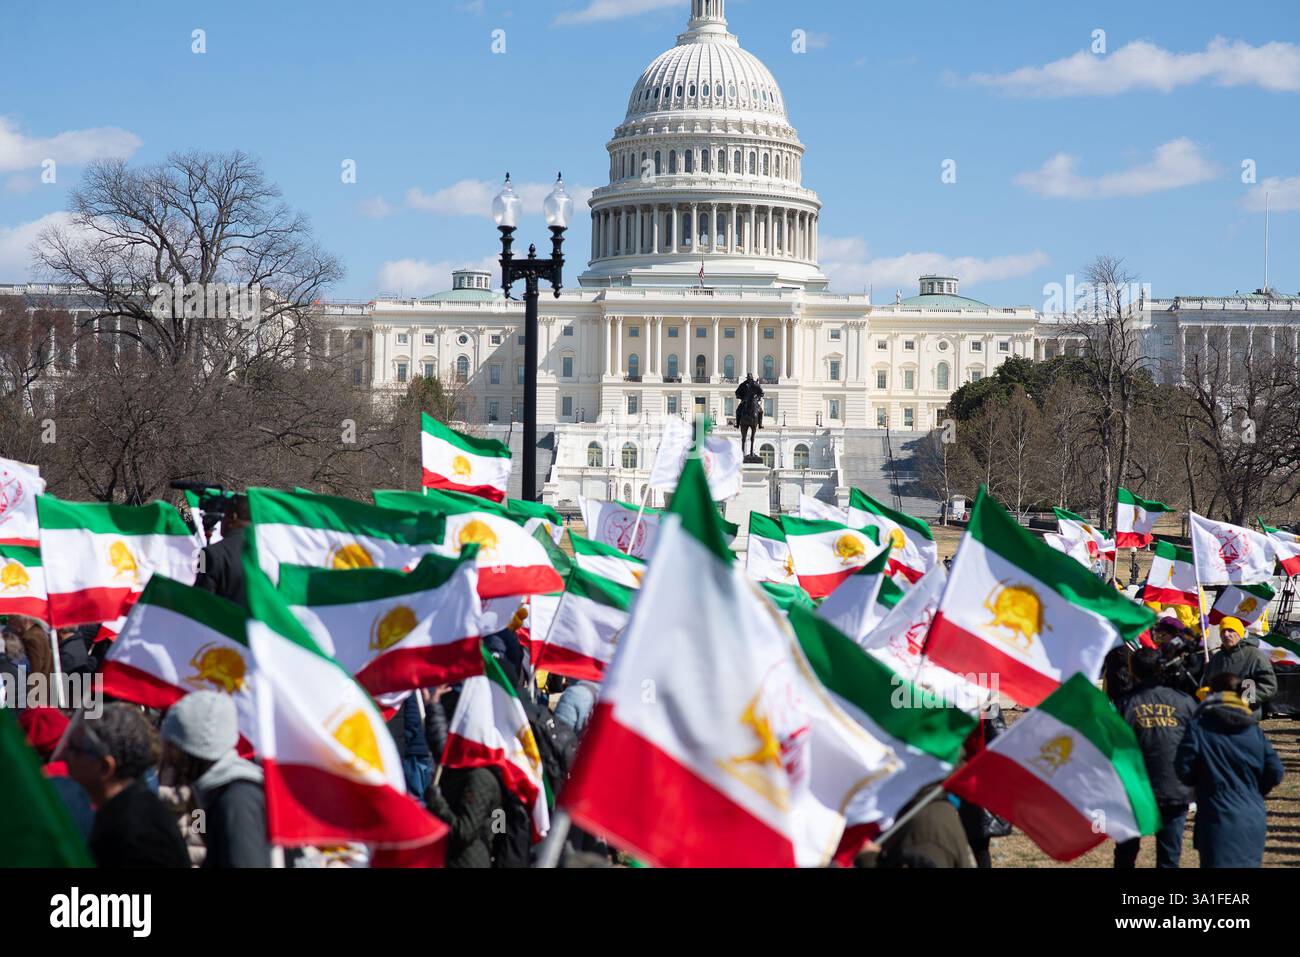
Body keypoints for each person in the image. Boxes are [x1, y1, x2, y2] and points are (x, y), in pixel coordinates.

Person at [1175, 672, 1284, 868]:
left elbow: (1184, 769)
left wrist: (1203, 781)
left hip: (1214, 815)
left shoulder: (1199, 727)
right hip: (1253, 815)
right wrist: (1253, 791)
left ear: (1211, 693)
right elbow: (1275, 772)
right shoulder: (1254, 730)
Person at [65, 703, 189, 868]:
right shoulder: (125, 811)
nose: (66, 755)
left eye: (74, 749)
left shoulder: (139, 833)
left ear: (105, 767)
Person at [160, 691, 269, 868]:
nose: (167, 757)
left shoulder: (236, 801)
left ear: (194, 748)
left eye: (173, 747)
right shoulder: (217, 791)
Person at [1114, 648, 1196, 868]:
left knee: (1125, 854)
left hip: (1135, 789)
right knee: (1169, 856)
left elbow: (1112, 749)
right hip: (1174, 787)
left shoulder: (1124, 705)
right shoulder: (1185, 702)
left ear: (1133, 672)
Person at [1204, 617, 1277, 717]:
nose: (1226, 634)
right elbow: (1207, 683)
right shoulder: (1216, 658)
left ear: (1239, 633)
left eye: (1230, 630)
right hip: (1219, 714)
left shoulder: (1255, 655)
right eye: (1223, 631)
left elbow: (1269, 685)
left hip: (1247, 714)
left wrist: (1246, 699)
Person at [194, 494, 250, 608]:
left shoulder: (206, 554)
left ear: (233, 517)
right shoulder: (269, 553)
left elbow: (199, 601)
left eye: (223, 516)